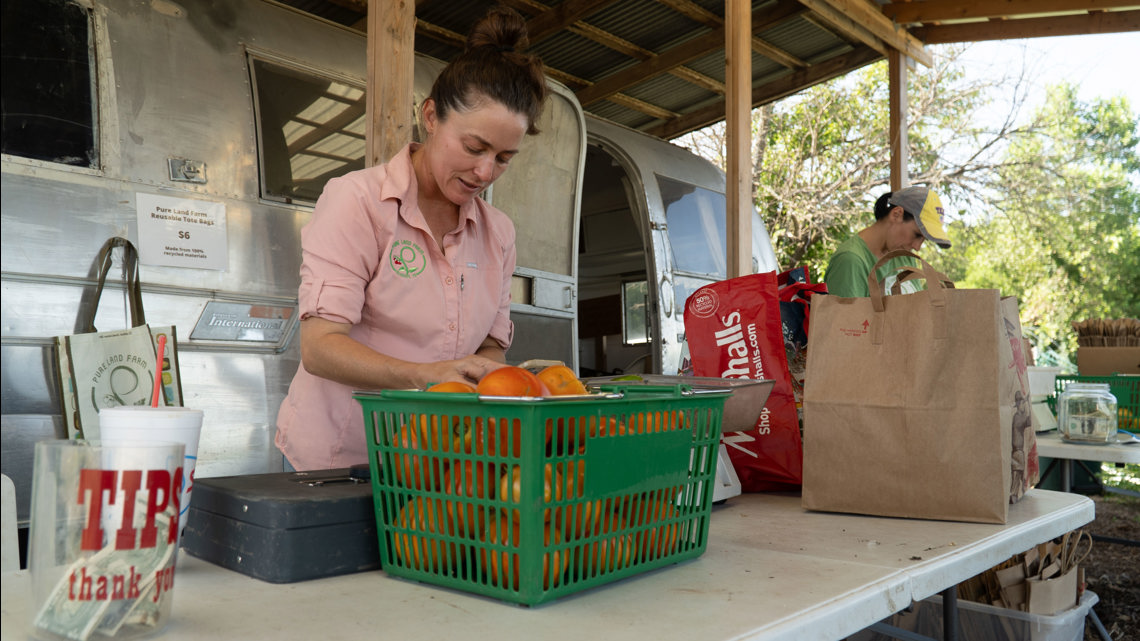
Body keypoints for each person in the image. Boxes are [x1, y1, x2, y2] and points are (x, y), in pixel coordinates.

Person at [274, 6, 548, 471]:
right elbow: (320, 346)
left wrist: (504, 378)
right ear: (431, 117)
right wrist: (424, 377)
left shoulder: (499, 234)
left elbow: (489, 347)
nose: (485, 171)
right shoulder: (357, 201)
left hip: (437, 463)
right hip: (341, 462)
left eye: (503, 157)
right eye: (474, 147)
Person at [823, 185, 951, 297]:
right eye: (917, 235)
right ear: (896, 214)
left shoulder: (904, 256)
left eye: (924, 240)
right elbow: (845, 323)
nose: (917, 247)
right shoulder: (851, 261)